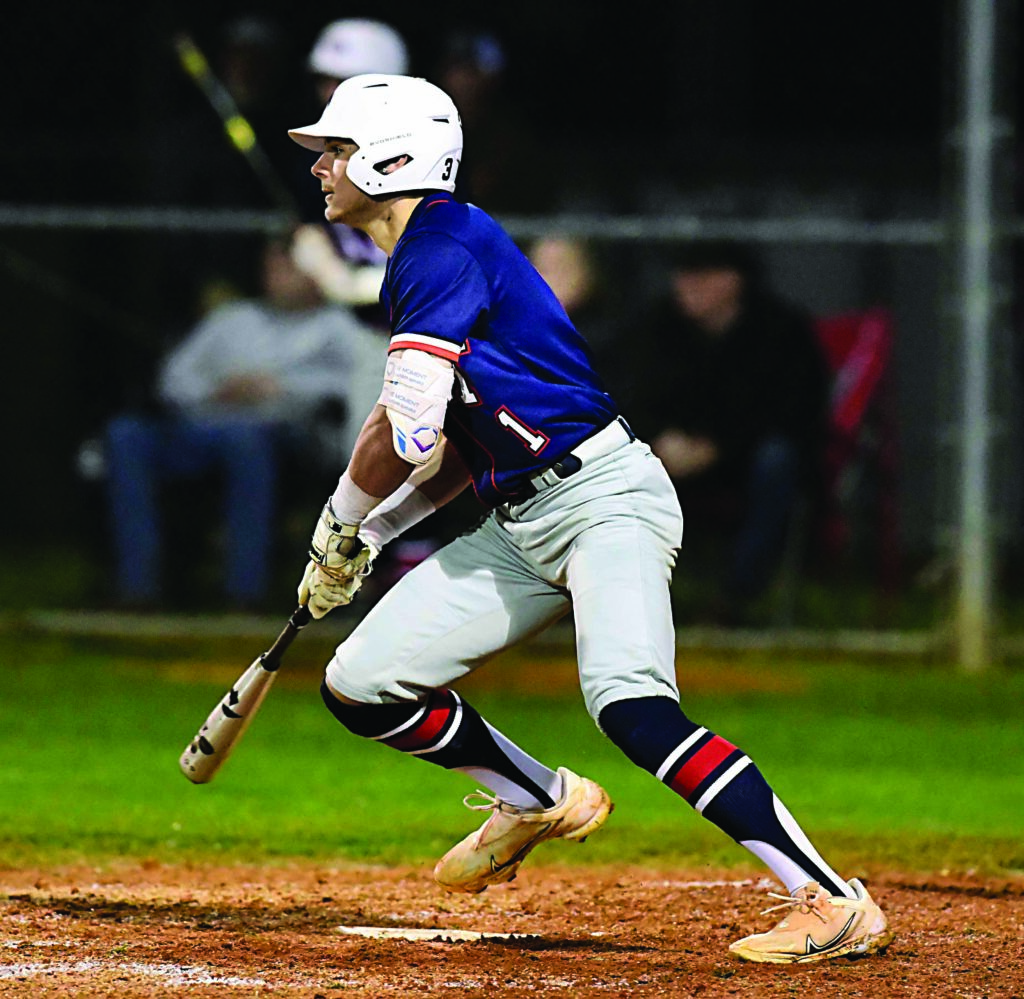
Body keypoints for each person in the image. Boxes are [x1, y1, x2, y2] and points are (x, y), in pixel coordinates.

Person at [284, 73, 892, 964]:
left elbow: (403, 426)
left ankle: (831, 899)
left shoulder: (439, 248)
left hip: (603, 497)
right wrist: (371, 538)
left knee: (632, 705)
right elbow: (456, 447)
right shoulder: (422, 255)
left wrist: (340, 520)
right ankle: (534, 795)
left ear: (393, 157)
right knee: (363, 684)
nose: (322, 168)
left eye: (337, 149)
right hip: (519, 518)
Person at [103, 235, 378, 611]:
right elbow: (174, 377)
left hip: (284, 436)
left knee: (245, 441)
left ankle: (243, 592)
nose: (277, 275)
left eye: (289, 266)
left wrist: (280, 388)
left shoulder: (337, 327)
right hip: (202, 426)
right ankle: (137, 588)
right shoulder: (233, 319)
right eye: (272, 266)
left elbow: (356, 383)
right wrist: (217, 390)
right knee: (126, 435)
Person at [634, 241, 832, 625]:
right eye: (682, 274)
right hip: (670, 457)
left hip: (748, 460)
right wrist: (658, 438)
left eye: (700, 275)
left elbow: (795, 412)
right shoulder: (658, 326)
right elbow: (627, 393)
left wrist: (719, 447)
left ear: (732, 280)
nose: (685, 285)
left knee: (778, 460)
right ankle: (629, 600)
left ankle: (734, 598)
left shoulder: (780, 329)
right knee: (615, 460)